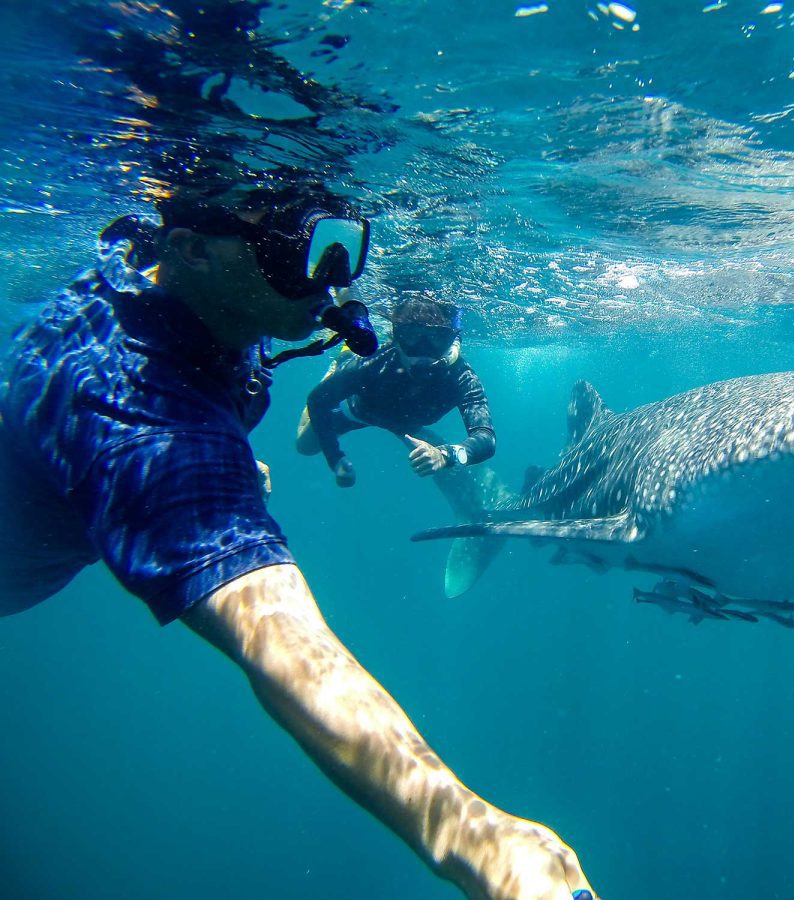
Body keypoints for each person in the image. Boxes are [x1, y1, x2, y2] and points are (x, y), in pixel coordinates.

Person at [0, 185, 596, 900]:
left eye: (344, 244)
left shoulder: (177, 277)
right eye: (299, 249)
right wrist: (476, 838)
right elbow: (279, 640)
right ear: (190, 249)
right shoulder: (142, 421)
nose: (334, 278)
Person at [296, 292, 496, 488]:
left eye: (436, 339)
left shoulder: (461, 377)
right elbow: (317, 400)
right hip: (359, 413)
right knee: (305, 446)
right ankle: (343, 356)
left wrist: (445, 455)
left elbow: (485, 438)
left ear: (449, 342)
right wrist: (335, 457)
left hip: (404, 426)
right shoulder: (373, 364)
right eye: (411, 337)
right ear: (396, 339)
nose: (423, 352)